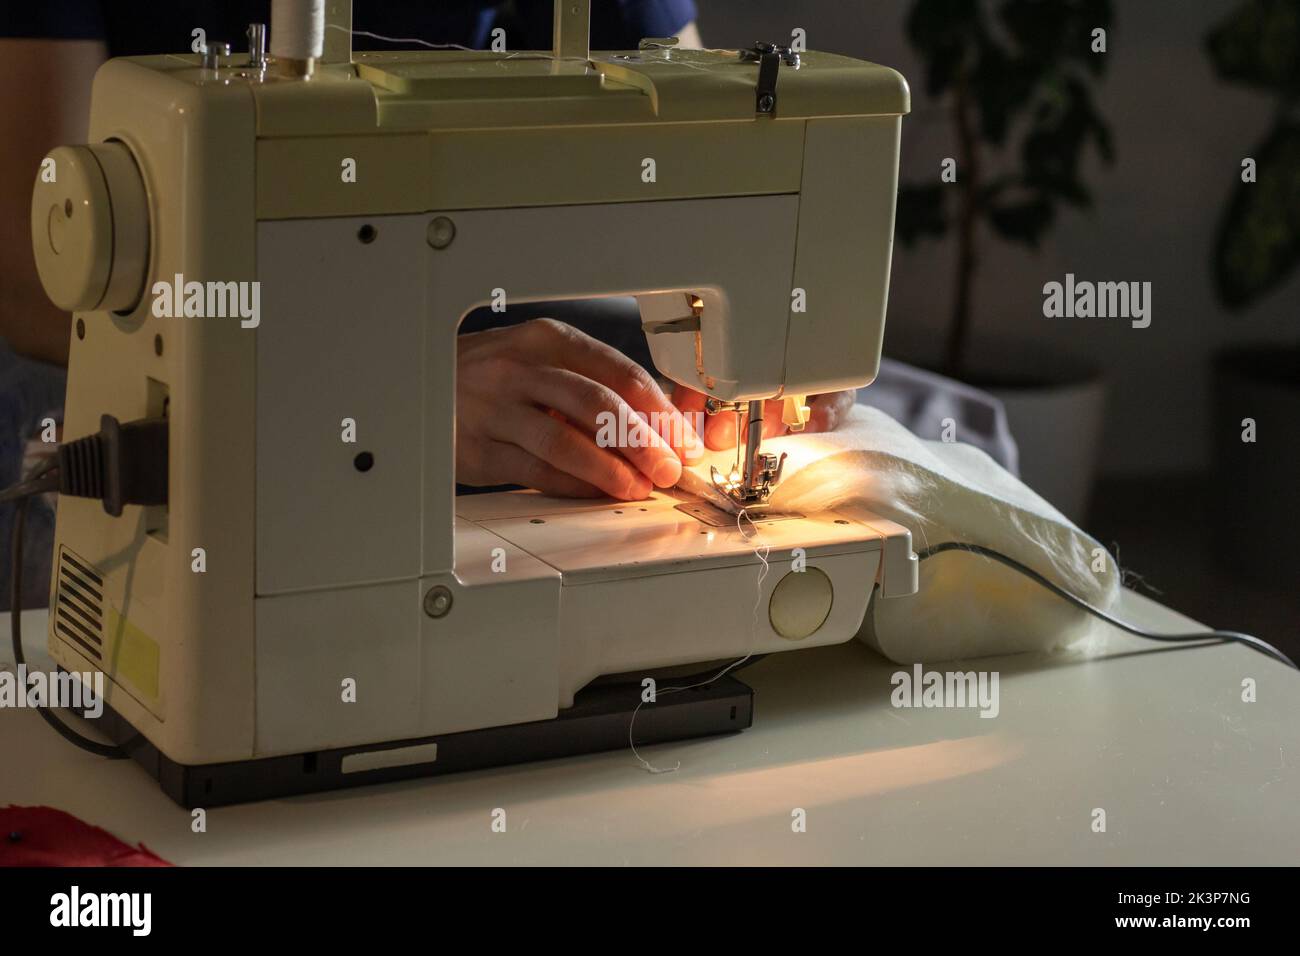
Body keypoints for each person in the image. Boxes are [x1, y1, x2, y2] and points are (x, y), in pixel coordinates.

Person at [0, 1, 852, 605]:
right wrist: (386, 395)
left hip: (443, 300)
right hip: (174, 339)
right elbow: (40, 275)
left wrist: (777, 340)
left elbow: (718, 158)